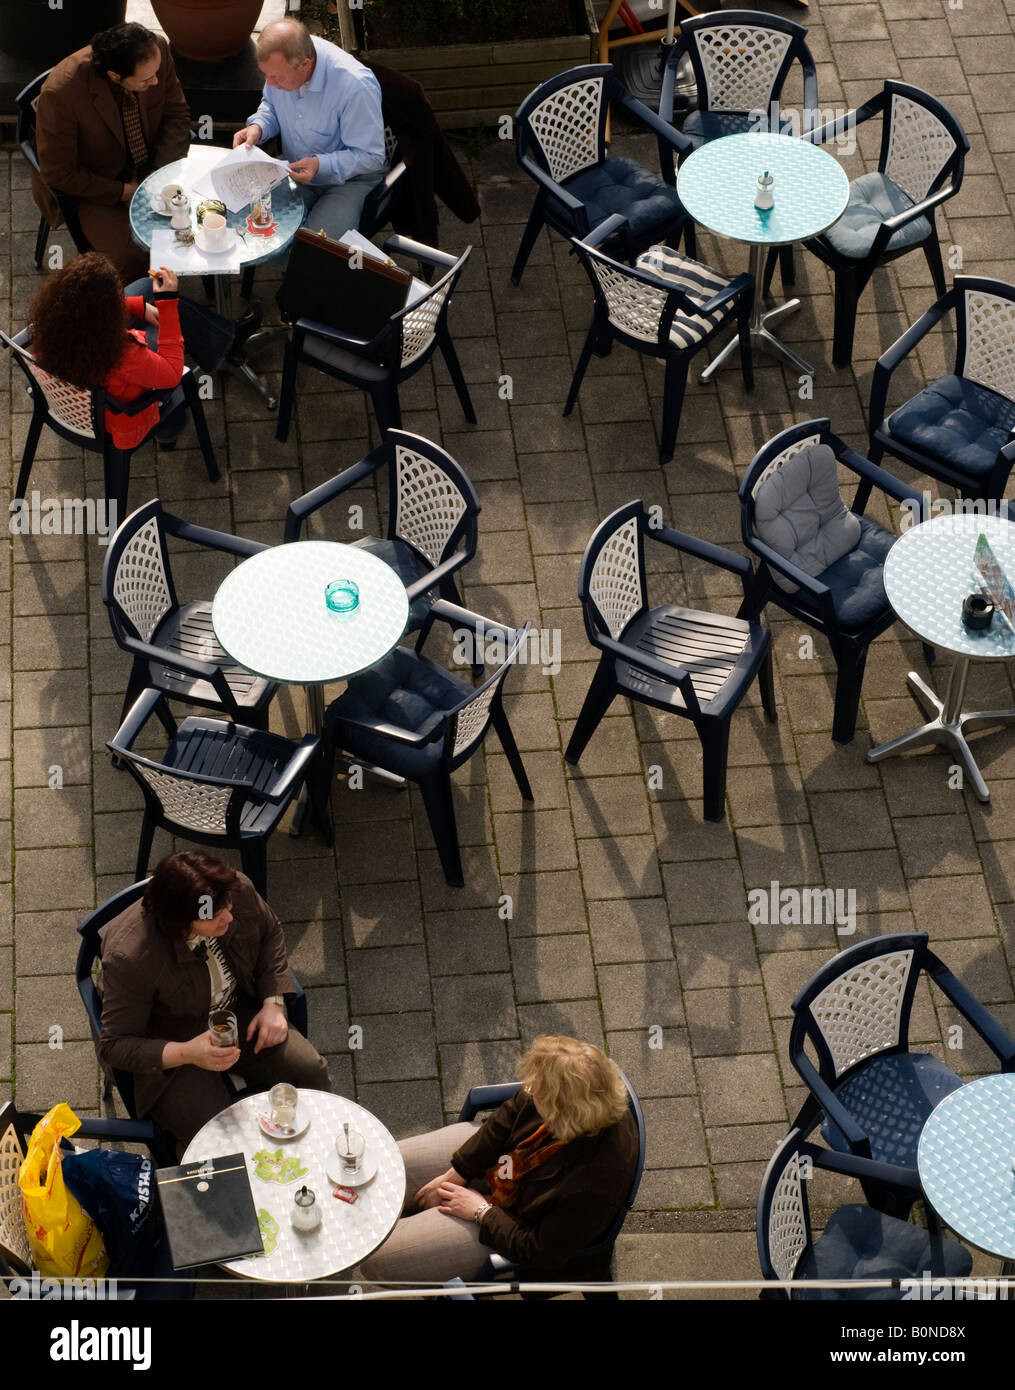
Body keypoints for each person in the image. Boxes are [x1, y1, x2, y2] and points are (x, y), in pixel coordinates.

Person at [97, 852, 332, 1150]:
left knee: (310, 1072)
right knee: (217, 1139)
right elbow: (115, 1044)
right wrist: (188, 1052)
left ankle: (321, 1152)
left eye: (228, 906)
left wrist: (273, 1003)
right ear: (181, 921)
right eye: (216, 915)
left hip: (235, 1010)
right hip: (173, 1044)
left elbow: (269, 931)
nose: (230, 916)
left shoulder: (230, 890)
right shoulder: (130, 957)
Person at [358, 1036, 639, 1285]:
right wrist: (454, 1175)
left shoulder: (594, 1183)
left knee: (376, 1259)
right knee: (378, 1166)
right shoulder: (570, 1094)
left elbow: (539, 1250)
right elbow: (507, 1116)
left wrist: (481, 1212)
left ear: (561, 1114)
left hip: (512, 1224)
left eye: (538, 1092)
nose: (529, 1089)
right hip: (504, 1166)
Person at [33, 23, 191, 283]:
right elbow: (59, 173)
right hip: (97, 183)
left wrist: (158, 173)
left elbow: (177, 114)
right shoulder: (61, 94)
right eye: (145, 80)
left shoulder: (156, 51)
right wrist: (122, 192)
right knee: (130, 257)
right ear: (115, 76)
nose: (155, 81)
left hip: (151, 165)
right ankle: (136, 310)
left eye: (156, 74)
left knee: (200, 219)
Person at [26, 251, 235, 449]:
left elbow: (87, 308)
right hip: (118, 414)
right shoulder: (123, 355)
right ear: (107, 314)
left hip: (73, 394)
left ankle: (225, 342)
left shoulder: (53, 317)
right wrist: (168, 303)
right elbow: (172, 374)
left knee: (145, 286)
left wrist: (137, 307)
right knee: (172, 313)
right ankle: (169, 430)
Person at [233, 18, 386, 241]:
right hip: (295, 169)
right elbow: (271, 105)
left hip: (349, 181)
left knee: (313, 250)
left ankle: (301, 273)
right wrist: (259, 126)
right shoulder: (284, 63)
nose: (270, 83)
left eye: (275, 77)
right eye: (265, 75)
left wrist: (320, 164)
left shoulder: (355, 87)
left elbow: (372, 157)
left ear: (305, 65)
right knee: (250, 224)